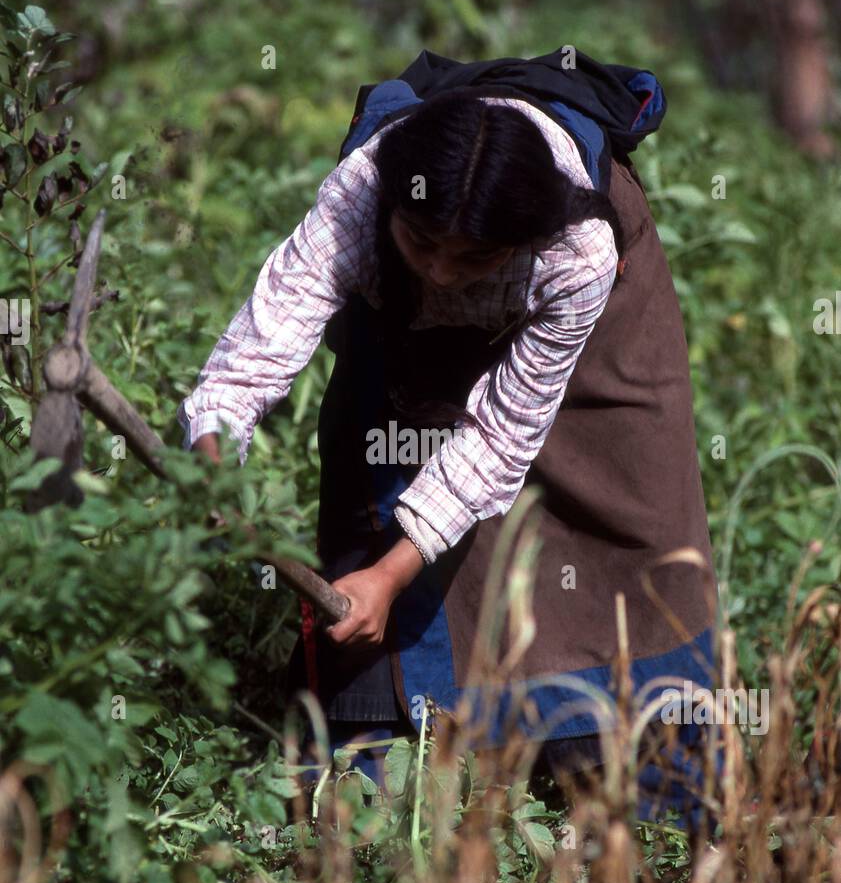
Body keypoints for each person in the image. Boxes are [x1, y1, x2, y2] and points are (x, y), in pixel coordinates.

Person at [178, 47, 720, 829]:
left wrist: (395, 573)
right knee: (384, 486)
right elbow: (250, 362)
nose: (441, 271)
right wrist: (217, 480)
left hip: (594, 356)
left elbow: (500, 437)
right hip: (405, 344)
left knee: (618, 520)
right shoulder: (360, 196)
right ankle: (383, 781)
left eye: (473, 258)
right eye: (422, 243)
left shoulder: (576, 246)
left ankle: (619, 776)